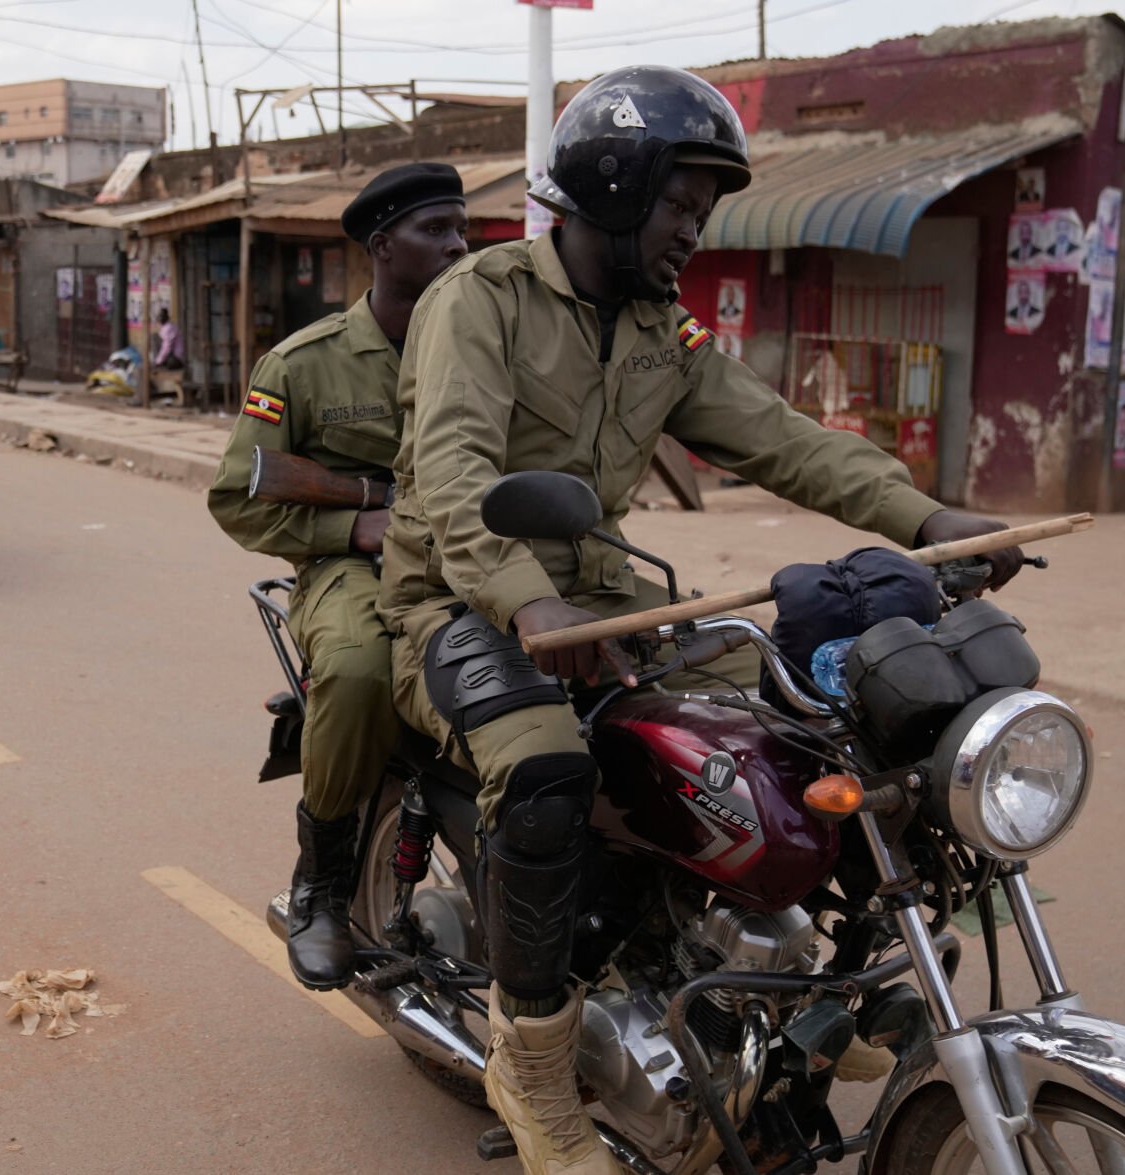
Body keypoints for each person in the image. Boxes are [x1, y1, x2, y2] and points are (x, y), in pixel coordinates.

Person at [378, 65, 1024, 1175]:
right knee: (543, 768)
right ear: (613, 186)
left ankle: (813, 973)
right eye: (679, 203)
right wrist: (529, 601)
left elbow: (783, 439)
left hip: (607, 596)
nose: (692, 229)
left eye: (703, 208)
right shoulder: (478, 300)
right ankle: (531, 1061)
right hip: (454, 592)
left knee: (813, 717)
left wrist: (928, 518)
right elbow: (450, 481)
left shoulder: (656, 332)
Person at [207, 163, 469, 991]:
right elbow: (237, 498)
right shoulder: (303, 363)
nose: (457, 245)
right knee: (357, 670)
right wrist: (351, 524)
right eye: (435, 229)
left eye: (460, 228)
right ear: (381, 245)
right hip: (349, 569)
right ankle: (320, 882)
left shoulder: (483, 349)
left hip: (469, 556)